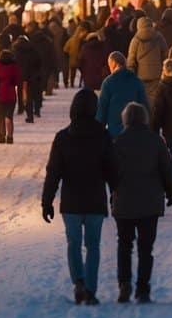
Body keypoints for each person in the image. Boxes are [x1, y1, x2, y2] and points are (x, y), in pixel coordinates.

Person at [42, 89, 117, 306]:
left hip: (71, 201)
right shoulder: (103, 137)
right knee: (93, 245)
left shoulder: (63, 137)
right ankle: (91, 290)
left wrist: (46, 201)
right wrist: (115, 193)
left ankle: (79, 283)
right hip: (95, 199)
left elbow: (53, 172)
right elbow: (112, 169)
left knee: (73, 243)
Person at [112, 103, 172, 304]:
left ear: (125, 119)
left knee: (124, 245)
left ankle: (124, 283)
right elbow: (167, 169)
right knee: (145, 248)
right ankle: (143, 288)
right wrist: (171, 192)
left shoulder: (118, 142)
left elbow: (112, 171)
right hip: (150, 203)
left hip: (124, 202)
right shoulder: (155, 141)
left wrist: (113, 193)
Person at [97, 52, 150, 138]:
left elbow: (102, 110)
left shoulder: (108, 83)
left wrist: (99, 131)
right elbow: (145, 107)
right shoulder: (137, 81)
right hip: (135, 134)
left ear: (113, 64)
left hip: (115, 134)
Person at [128, 16, 168, 107]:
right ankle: (154, 117)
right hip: (156, 74)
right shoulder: (159, 37)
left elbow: (131, 60)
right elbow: (166, 54)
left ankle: (146, 118)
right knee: (156, 99)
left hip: (141, 75)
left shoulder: (135, 40)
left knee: (143, 100)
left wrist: (131, 75)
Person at [0, 40, 22, 145]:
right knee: (9, 116)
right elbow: (17, 81)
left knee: (0, 116)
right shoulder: (14, 66)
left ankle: (2, 136)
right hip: (11, 94)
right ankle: (10, 136)